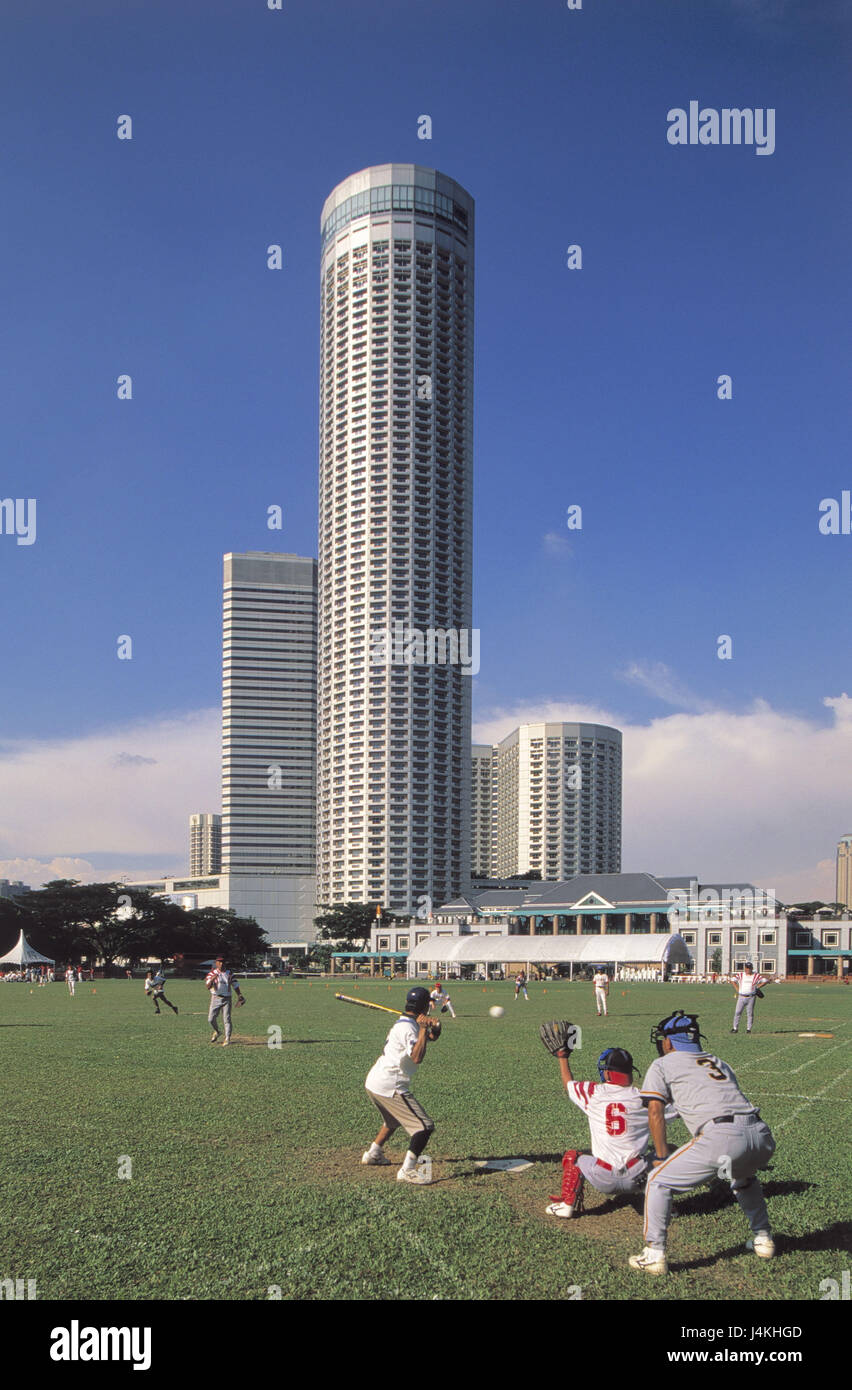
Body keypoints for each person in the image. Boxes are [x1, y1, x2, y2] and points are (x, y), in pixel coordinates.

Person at [628, 1009, 776, 1276]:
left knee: (658, 1180)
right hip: (761, 1135)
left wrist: (661, 1154)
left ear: (669, 1042)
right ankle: (763, 1239)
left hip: (723, 1138)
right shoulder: (718, 1061)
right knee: (743, 1178)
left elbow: (654, 1111)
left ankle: (654, 1254)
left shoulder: (662, 1064)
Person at [541, 1026, 664, 1219]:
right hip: (638, 1177)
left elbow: (568, 1085)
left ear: (607, 1074)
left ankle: (567, 1204)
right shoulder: (645, 1098)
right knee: (668, 1151)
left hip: (603, 1178)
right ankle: (665, 1206)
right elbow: (678, 1109)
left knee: (573, 1157)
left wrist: (562, 1057)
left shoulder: (593, 1093)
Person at [362, 985, 437, 1184]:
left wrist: (434, 1030)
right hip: (390, 1084)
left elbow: (427, 1039)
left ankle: (373, 1153)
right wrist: (423, 1028)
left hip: (375, 1081)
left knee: (392, 1121)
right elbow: (417, 1056)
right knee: (424, 1127)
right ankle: (407, 1170)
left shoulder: (405, 1023)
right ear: (425, 1006)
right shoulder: (409, 1027)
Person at [205, 956, 244, 1045]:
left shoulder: (229, 973)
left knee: (227, 1019)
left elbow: (235, 985)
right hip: (215, 997)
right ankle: (217, 1031)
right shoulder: (212, 973)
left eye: (223, 962)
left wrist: (240, 995)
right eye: (219, 962)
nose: (221, 964)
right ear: (216, 963)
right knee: (210, 1019)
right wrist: (212, 979)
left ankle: (227, 1038)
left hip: (227, 998)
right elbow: (207, 986)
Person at [730, 962, 768, 1035]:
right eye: (747, 968)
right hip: (741, 996)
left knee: (750, 1013)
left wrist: (757, 987)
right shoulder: (741, 975)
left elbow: (765, 981)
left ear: (752, 968)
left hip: (751, 997)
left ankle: (748, 1029)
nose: (748, 969)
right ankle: (735, 1028)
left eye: (749, 968)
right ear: (745, 968)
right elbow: (732, 980)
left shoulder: (756, 975)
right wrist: (737, 989)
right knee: (737, 1012)